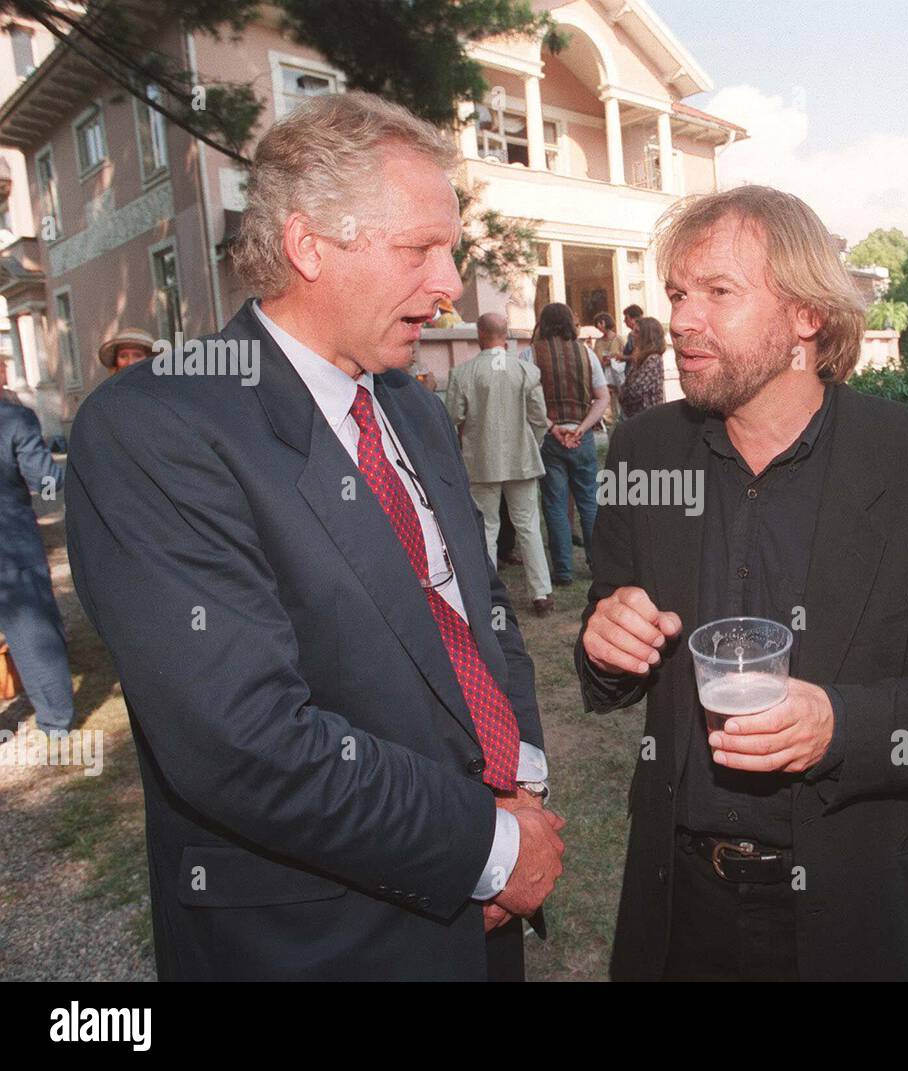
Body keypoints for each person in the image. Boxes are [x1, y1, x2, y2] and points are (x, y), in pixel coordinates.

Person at [65, 92, 565, 982]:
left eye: (449, 249)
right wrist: (486, 844)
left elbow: (478, 607)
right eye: (419, 249)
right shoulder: (156, 429)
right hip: (321, 944)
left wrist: (519, 782)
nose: (450, 282)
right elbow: (245, 740)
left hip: (481, 908)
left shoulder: (409, 403)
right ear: (307, 246)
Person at [575, 185, 908, 982]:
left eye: (719, 292)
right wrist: (605, 644)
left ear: (805, 316)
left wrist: (840, 724)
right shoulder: (643, 455)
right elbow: (606, 660)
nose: (681, 319)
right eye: (679, 293)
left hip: (861, 914)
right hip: (683, 910)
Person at [445, 313, 554, 617]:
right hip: (521, 459)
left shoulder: (463, 373)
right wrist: (532, 444)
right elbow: (539, 417)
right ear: (505, 334)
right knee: (529, 526)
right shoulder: (526, 370)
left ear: (480, 334)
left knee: (488, 528)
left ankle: (489, 594)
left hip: (481, 462)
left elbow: (453, 416)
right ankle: (541, 593)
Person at [0, 361, 74, 735]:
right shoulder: (15, 419)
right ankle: (55, 722)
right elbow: (45, 482)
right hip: (11, 547)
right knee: (33, 634)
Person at [519, 303, 609, 587]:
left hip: (550, 438)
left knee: (555, 505)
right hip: (581, 438)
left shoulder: (530, 354)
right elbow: (602, 397)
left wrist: (552, 427)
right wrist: (582, 428)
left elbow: (527, 400)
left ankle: (563, 571)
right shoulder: (587, 353)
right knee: (590, 502)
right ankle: (599, 565)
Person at [619, 315, 666, 419]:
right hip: (634, 417)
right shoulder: (640, 358)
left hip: (647, 418)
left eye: (636, 331)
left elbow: (635, 391)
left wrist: (623, 392)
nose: (632, 334)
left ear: (646, 336)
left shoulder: (653, 359)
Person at [591, 311, 624, 427]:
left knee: (621, 407)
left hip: (617, 377)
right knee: (609, 410)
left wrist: (614, 360)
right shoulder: (599, 342)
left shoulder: (619, 339)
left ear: (604, 323)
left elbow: (624, 358)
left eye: (599, 324)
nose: (598, 327)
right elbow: (596, 359)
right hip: (604, 377)